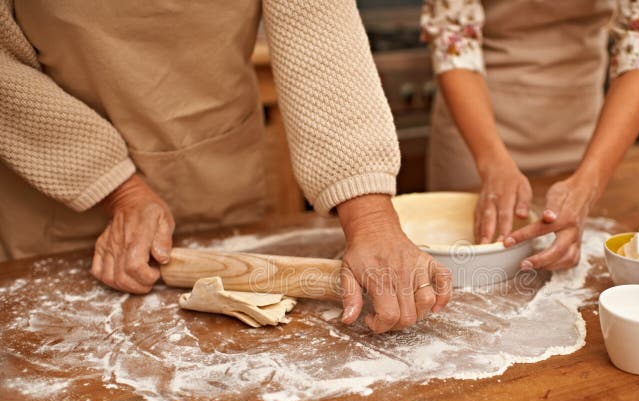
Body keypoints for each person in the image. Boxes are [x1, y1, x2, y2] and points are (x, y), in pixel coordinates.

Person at [0, 0, 452, 333]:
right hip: (63, 178)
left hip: (215, 166)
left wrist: (370, 218)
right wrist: (121, 191)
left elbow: (318, 28)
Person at [421, 0, 639, 271]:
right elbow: (454, 35)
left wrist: (589, 180)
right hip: (475, 131)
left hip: (583, 129)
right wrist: (491, 160)